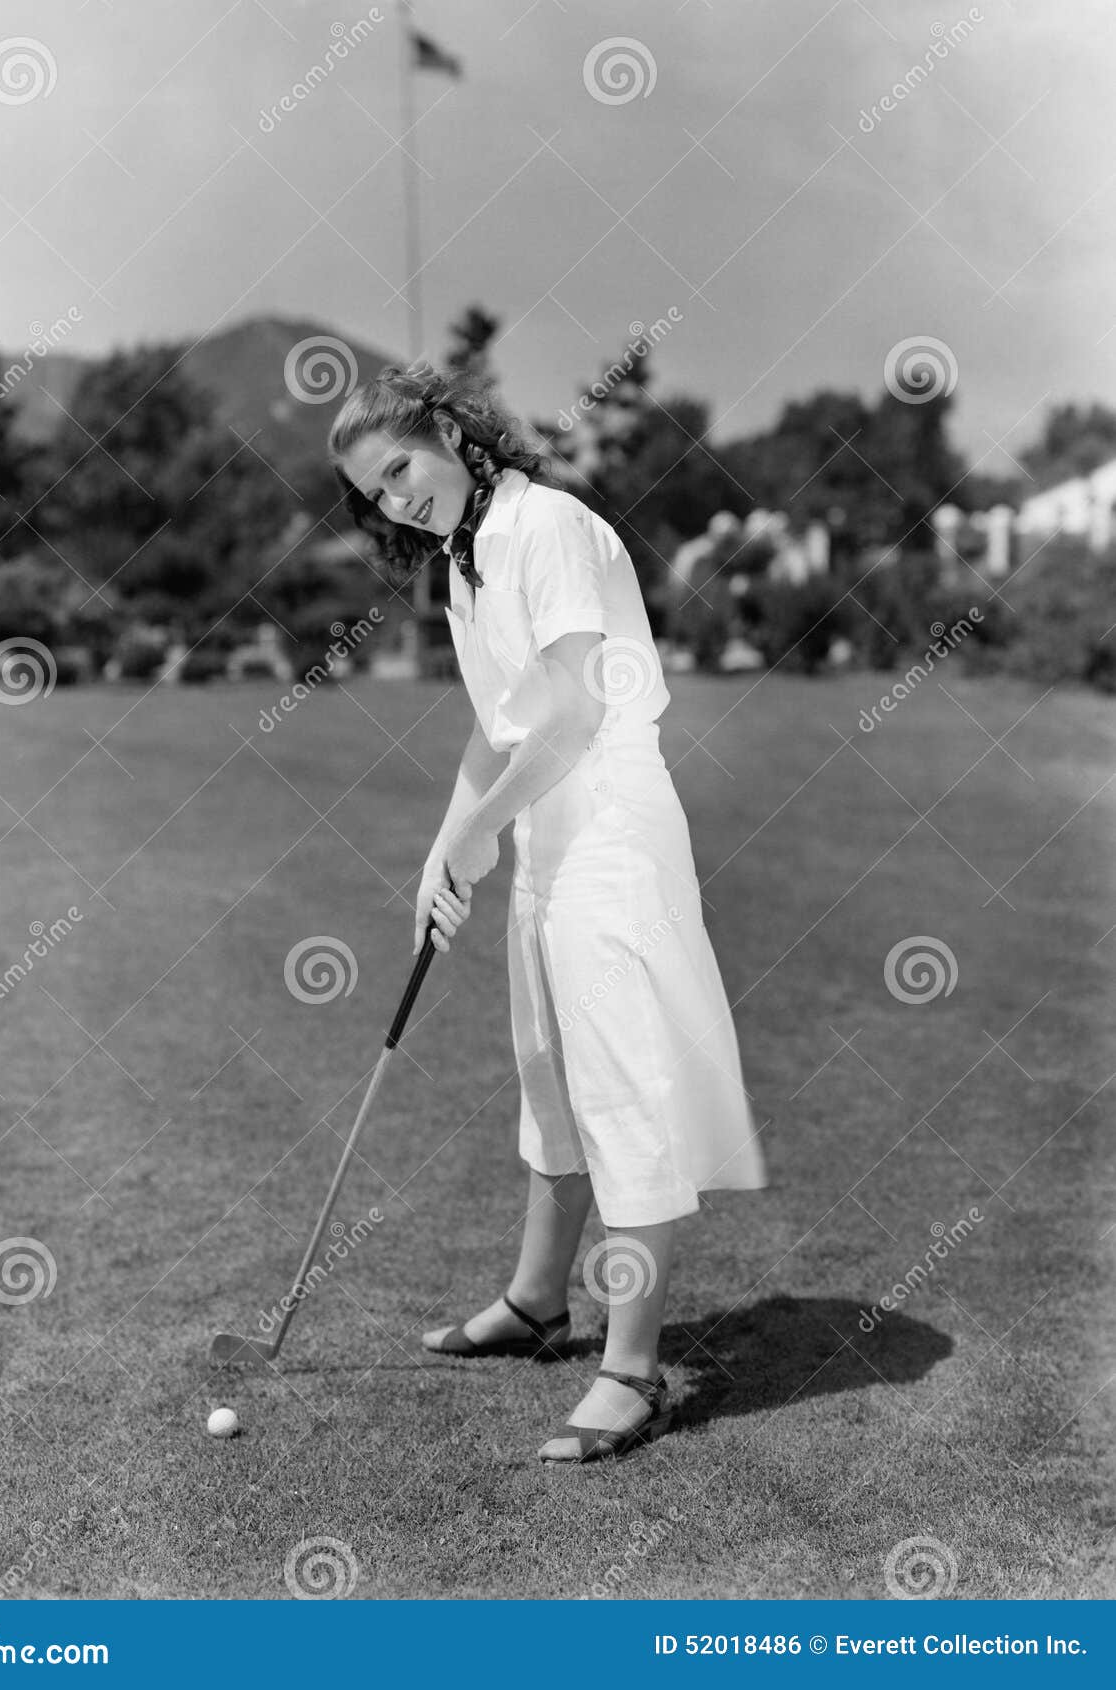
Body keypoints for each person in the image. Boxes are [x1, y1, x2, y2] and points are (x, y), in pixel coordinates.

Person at [329, 363, 766, 1463]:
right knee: (546, 1067)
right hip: (545, 827)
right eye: (374, 494)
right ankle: (537, 1302)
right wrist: (446, 846)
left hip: (612, 828)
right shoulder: (464, 564)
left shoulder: (549, 526)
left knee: (619, 1082)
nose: (394, 500)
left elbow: (573, 709)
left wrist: (483, 833)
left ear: (453, 437)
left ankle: (632, 1368)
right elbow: (499, 729)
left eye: (400, 470)